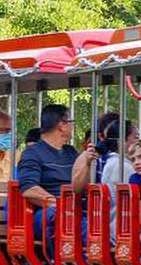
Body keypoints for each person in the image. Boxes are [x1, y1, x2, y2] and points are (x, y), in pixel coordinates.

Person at [16, 103, 98, 242]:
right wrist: (59, 204)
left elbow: (80, 186)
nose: (73, 127)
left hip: (76, 209)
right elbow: (29, 190)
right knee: (59, 215)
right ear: (62, 125)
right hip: (48, 212)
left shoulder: (70, 152)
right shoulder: (32, 153)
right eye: (71, 122)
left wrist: (86, 162)